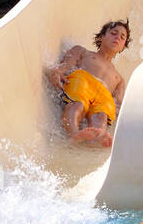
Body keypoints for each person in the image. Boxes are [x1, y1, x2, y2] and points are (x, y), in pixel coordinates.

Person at [45, 20, 130, 148]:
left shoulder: (119, 79)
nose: (118, 37)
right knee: (78, 104)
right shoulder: (83, 52)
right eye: (113, 33)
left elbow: (118, 105)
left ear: (123, 47)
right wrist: (56, 72)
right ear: (101, 37)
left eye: (122, 37)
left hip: (103, 95)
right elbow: (64, 66)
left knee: (101, 115)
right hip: (83, 81)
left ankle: (97, 136)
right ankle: (74, 134)